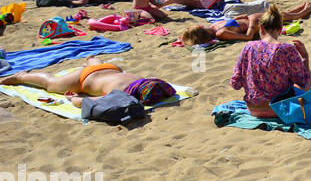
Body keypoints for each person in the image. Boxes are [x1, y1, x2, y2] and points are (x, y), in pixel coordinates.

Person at [229, 4, 311, 119]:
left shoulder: (248, 47)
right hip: (279, 110)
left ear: (261, 28)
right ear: (280, 29)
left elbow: (235, 83)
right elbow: (303, 81)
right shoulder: (285, 49)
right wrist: (305, 58)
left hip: (253, 109)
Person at [1, 59, 179, 108]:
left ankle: (92, 59)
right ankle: (21, 77)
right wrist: (74, 98)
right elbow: (88, 102)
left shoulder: (144, 80)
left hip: (110, 68)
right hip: (84, 78)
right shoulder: (121, 94)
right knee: (50, 83)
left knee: (97, 65)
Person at [180, 1, 311, 46]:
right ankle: (301, 13)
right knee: (276, 16)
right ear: (200, 31)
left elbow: (232, 22)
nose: (201, 25)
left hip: (249, 20)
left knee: (278, 15)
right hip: (253, 25)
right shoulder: (221, 33)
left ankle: (295, 11)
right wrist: (252, 23)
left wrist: (240, 17)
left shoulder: (213, 26)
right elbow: (247, 37)